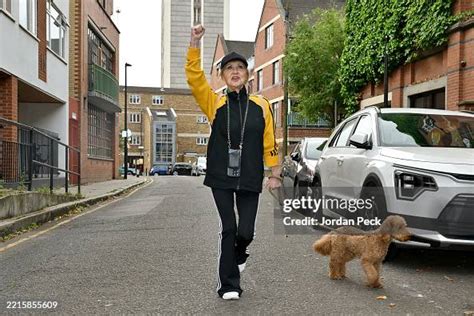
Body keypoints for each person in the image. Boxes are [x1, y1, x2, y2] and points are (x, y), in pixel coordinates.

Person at [185, 24, 282, 300]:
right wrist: (194, 42)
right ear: (223, 76)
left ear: (247, 74)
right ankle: (229, 284)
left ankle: (240, 251)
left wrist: (274, 173)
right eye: (229, 68)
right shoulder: (213, 102)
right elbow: (194, 78)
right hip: (221, 176)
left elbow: (269, 141)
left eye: (240, 67)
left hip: (250, 175)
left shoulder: (261, 105)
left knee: (246, 231)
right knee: (228, 227)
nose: (235, 71)